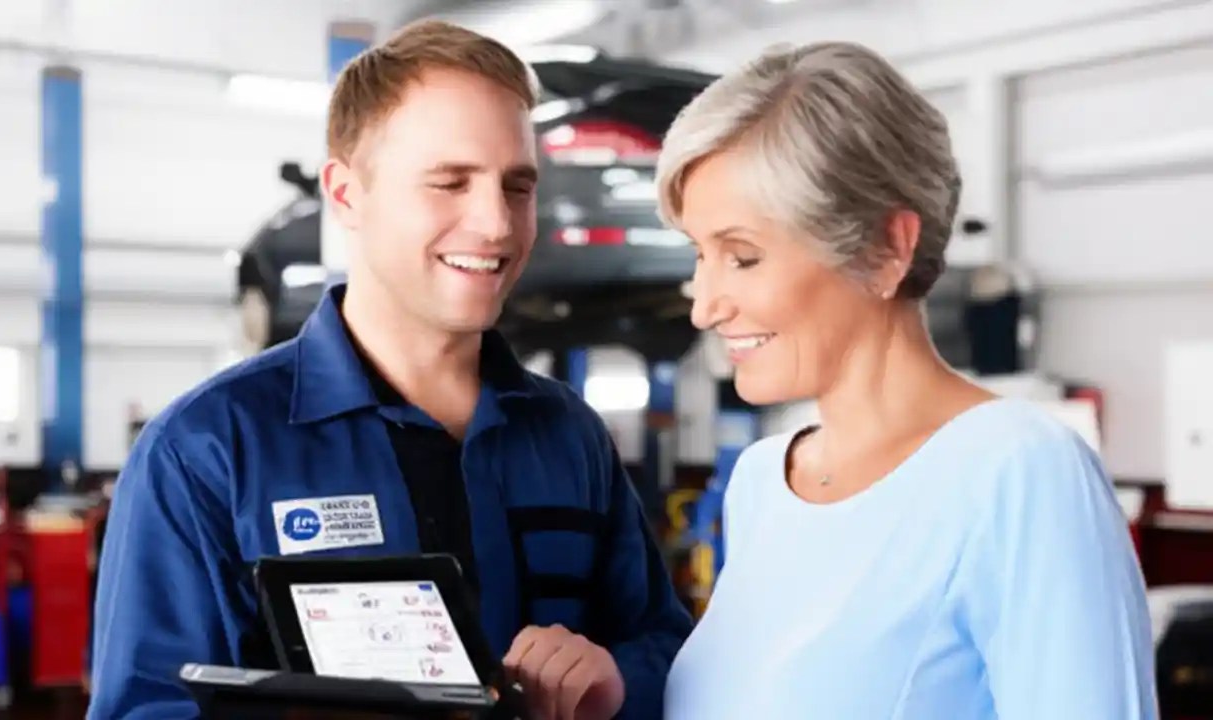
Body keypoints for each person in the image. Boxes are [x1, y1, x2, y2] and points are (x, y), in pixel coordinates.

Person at [89, 19, 692, 720]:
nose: (496, 223)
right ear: (346, 194)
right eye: (449, 183)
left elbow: (667, 651)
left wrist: (618, 677)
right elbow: (146, 707)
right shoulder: (209, 452)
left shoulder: (568, 437)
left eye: (517, 186)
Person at [655, 41, 1157, 719]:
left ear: (887, 246)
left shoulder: (1016, 472)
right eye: (700, 255)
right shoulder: (762, 482)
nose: (705, 304)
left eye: (742, 257)